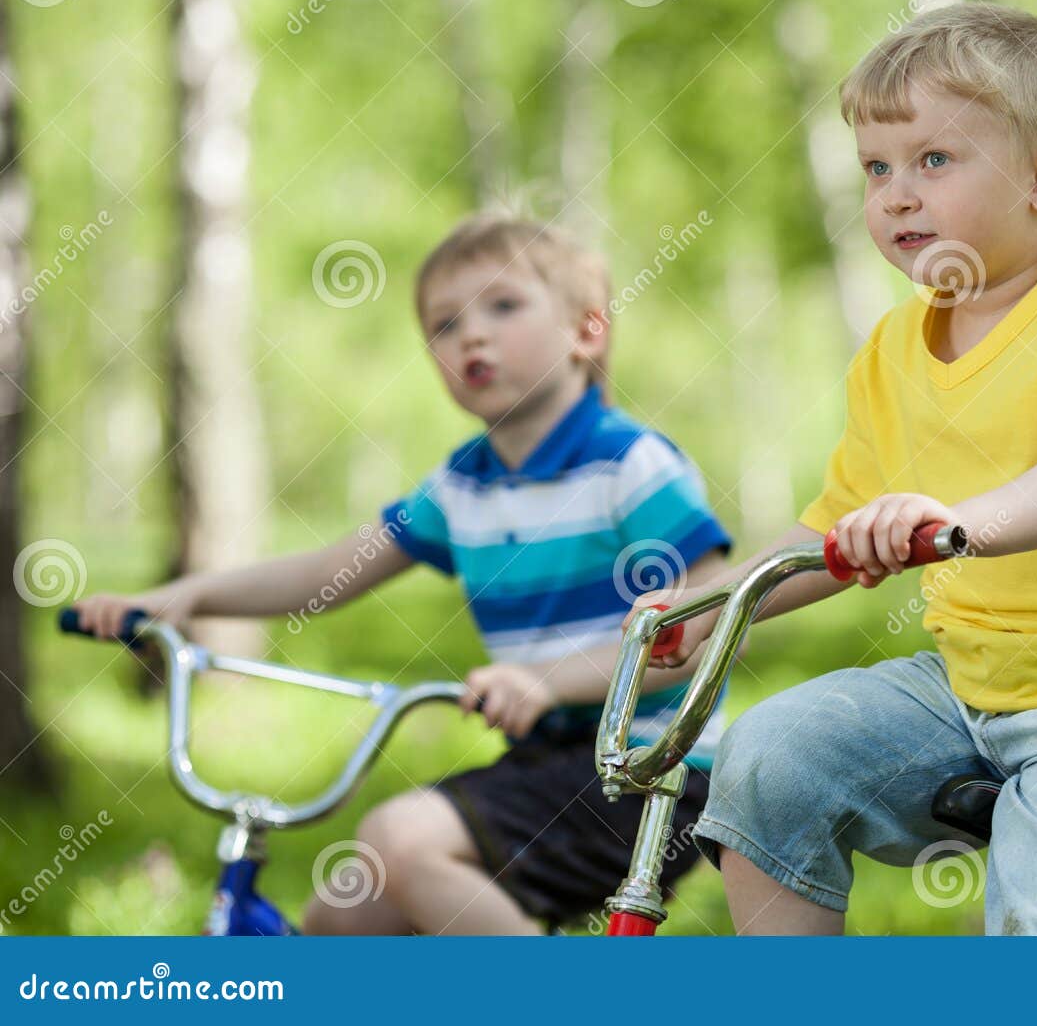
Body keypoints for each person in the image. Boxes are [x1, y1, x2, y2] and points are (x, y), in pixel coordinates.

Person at [645, 3, 1037, 935]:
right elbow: (830, 528)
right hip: (972, 686)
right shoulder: (892, 346)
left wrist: (956, 519)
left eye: (934, 161)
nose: (896, 193)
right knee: (770, 753)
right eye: (876, 167)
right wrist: (711, 612)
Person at [71, 213, 731, 934]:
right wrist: (188, 594)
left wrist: (544, 681)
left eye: (503, 306)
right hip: (546, 765)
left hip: (654, 773)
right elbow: (325, 573)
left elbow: (704, 626)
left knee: (399, 836)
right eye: (444, 325)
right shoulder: (461, 488)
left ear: (586, 331)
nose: (470, 335)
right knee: (342, 911)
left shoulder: (627, 466)